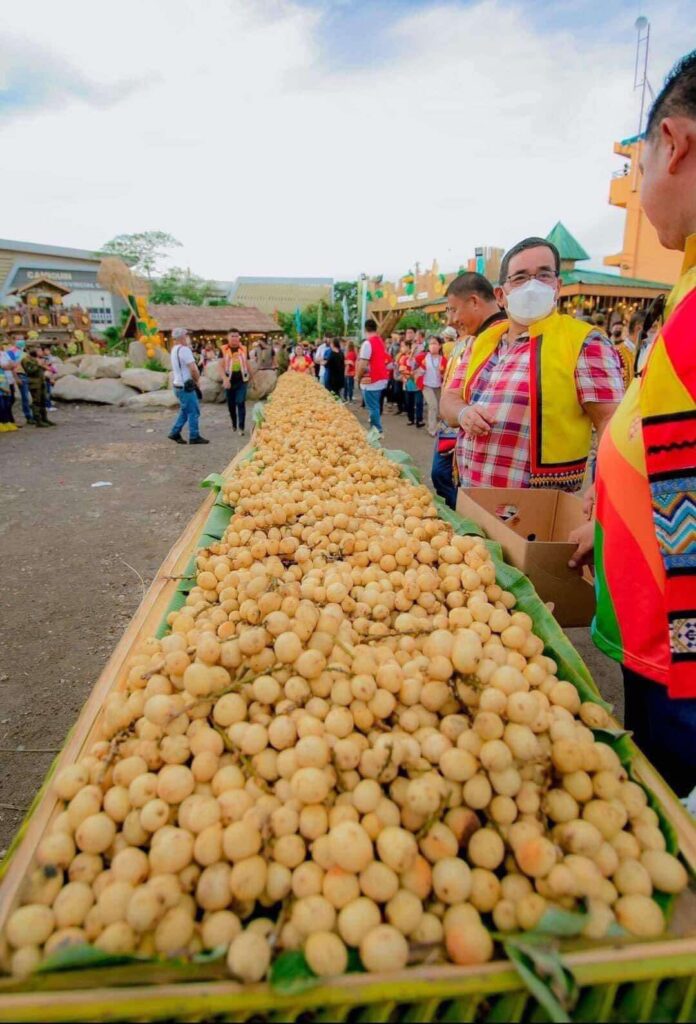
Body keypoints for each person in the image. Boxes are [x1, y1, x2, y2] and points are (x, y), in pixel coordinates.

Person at [570, 50, 696, 794]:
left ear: (674, 146)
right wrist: (611, 521)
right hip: (659, 637)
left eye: (640, 164)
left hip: (683, 654)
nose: (640, 188)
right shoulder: (684, 295)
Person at [447, 237, 624, 490]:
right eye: (519, 278)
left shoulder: (585, 342)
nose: (532, 286)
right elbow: (450, 398)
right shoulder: (483, 342)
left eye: (543, 275)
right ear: (501, 295)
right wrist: (463, 413)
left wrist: (600, 492)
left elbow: (612, 423)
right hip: (472, 494)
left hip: (537, 510)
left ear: (557, 286)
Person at [437, 273, 507, 507]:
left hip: (512, 492)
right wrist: (463, 413)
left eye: (453, 310)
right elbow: (449, 398)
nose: (450, 320)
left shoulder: (500, 338)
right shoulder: (475, 343)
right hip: (476, 476)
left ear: (475, 302)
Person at [169, 327, 209, 445]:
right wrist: (197, 380)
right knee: (194, 411)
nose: (189, 338)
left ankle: (175, 432)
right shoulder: (184, 350)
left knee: (185, 410)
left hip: (177, 384)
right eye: (187, 336)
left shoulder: (174, 349)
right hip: (186, 385)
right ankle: (194, 435)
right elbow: (193, 368)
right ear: (182, 337)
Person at [356, 318, 390, 434]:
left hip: (371, 379)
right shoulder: (380, 341)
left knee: (373, 407)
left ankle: (377, 430)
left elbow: (363, 364)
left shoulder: (367, 343)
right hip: (381, 378)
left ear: (365, 329)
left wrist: (357, 377)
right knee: (375, 405)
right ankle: (376, 428)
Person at [221, 331, 251, 436]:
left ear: (239, 338)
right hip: (229, 380)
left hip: (242, 380)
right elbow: (220, 366)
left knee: (240, 402)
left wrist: (252, 377)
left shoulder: (244, 349)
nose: (234, 338)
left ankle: (241, 427)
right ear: (228, 337)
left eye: (236, 336)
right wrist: (225, 379)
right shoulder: (223, 349)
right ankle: (234, 422)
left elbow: (247, 363)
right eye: (232, 336)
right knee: (231, 404)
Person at [417, 336, 447, 436]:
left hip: (438, 386)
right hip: (426, 385)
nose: (432, 346)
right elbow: (413, 362)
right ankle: (432, 429)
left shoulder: (443, 359)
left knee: (439, 407)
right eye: (430, 344)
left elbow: (446, 374)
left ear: (440, 346)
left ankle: (438, 427)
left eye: (434, 343)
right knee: (433, 405)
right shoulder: (423, 357)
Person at [23, 345, 54, 427]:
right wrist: (39, 365)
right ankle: (38, 420)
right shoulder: (26, 360)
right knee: (37, 402)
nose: (41, 353)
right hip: (34, 383)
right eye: (39, 351)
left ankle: (44, 418)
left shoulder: (38, 359)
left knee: (43, 400)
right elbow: (30, 371)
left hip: (41, 382)